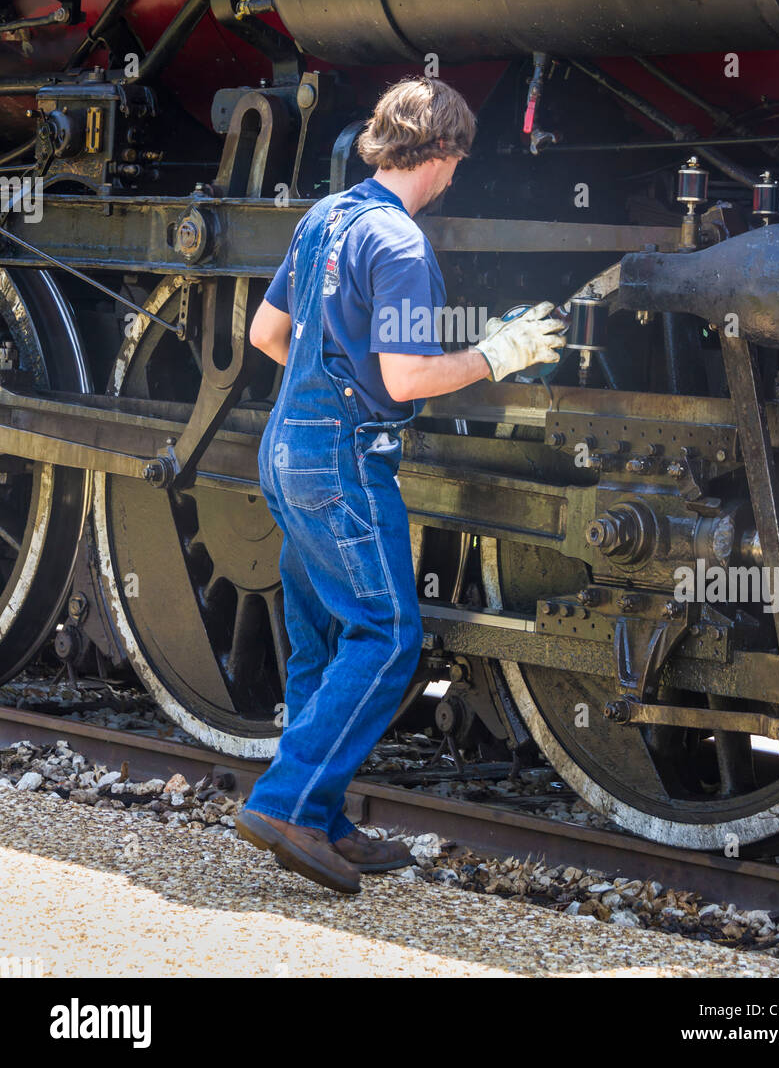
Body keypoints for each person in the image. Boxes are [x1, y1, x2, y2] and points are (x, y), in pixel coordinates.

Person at [234, 76, 567, 894]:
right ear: (446, 156)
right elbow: (410, 374)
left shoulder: (326, 218)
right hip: (344, 464)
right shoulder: (403, 246)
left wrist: (330, 391)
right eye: (458, 161)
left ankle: (321, 817)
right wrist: (500, 353)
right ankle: (284, 802)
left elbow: (266, 334)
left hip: (287, 447)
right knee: (386, 634)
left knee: (324, 639)